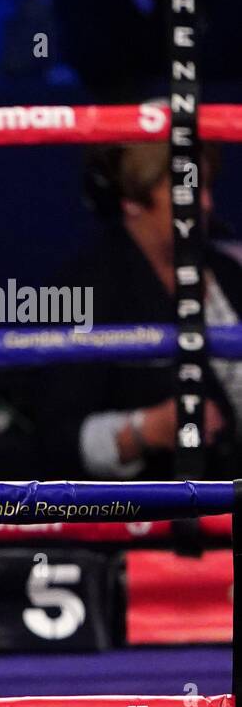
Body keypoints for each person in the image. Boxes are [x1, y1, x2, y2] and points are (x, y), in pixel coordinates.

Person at [37, 140, 242, 479]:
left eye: (206, 186)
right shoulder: (83, 289)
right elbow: (56, 440)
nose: (206, 203)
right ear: (133, 199)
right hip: (157, 513)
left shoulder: (228, 272)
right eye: (189, 188)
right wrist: (142, 431)